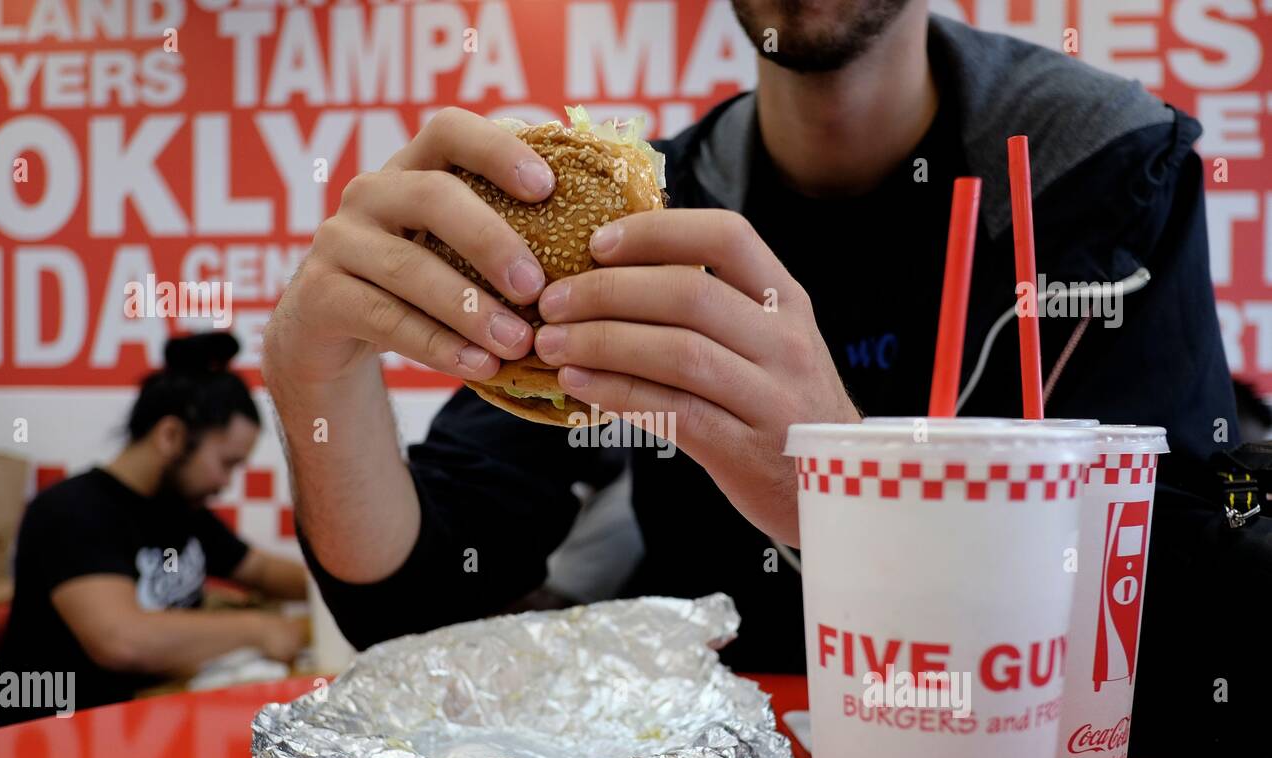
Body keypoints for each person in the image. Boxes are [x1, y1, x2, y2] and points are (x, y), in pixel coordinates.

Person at [262, 2, 1239, 680]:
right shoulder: (642, 214)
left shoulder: (1105, 178)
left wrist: (850, 496)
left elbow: (1205, 623)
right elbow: (415, 602)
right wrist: (312, 372)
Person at [0, 333, 307, 726]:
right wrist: (259, 630)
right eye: (226, 463)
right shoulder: (71, 512)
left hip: (149, 719)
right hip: (57, 739)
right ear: (171, 435)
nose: (227, 482)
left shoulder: (182, 511)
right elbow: (121, 640)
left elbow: (261, 571)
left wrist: (342, 588)